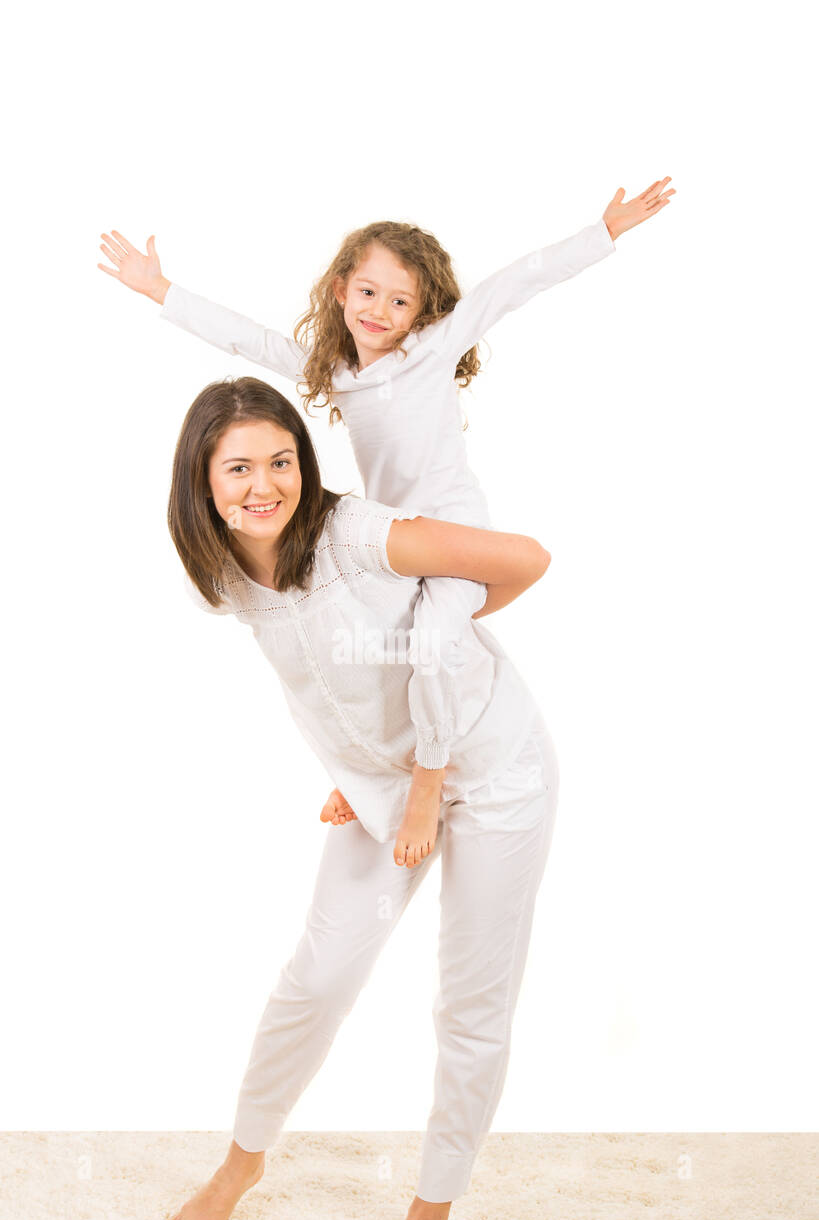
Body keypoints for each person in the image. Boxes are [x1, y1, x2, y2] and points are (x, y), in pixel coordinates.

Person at [97, 177, 674, 870]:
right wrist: (161, 290)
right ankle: (370, 774)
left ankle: (427, 782)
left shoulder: (429, 350)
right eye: (367, 292)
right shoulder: (334, 372)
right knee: (365, 651)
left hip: (449, 527)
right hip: (388, 536)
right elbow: (246, 341)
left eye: (400, 300)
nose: (380, 310)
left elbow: (513, 284)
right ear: (340, 290)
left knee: (430, 646)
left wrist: (603, 231)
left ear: (423, 311)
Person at [161, 374, 558, 1220]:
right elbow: (314, 675)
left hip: (491, 765)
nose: (263, 485)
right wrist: (352, 765)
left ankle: (429, 1212)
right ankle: (242, 1163)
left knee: (469, 1002)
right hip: (383, 780)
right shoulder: (219, 576)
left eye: (281, 460)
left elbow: (525, 558)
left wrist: (437, 638)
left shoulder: (359, 534)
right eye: (237, 469)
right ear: (201, 481)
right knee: (319, 974)